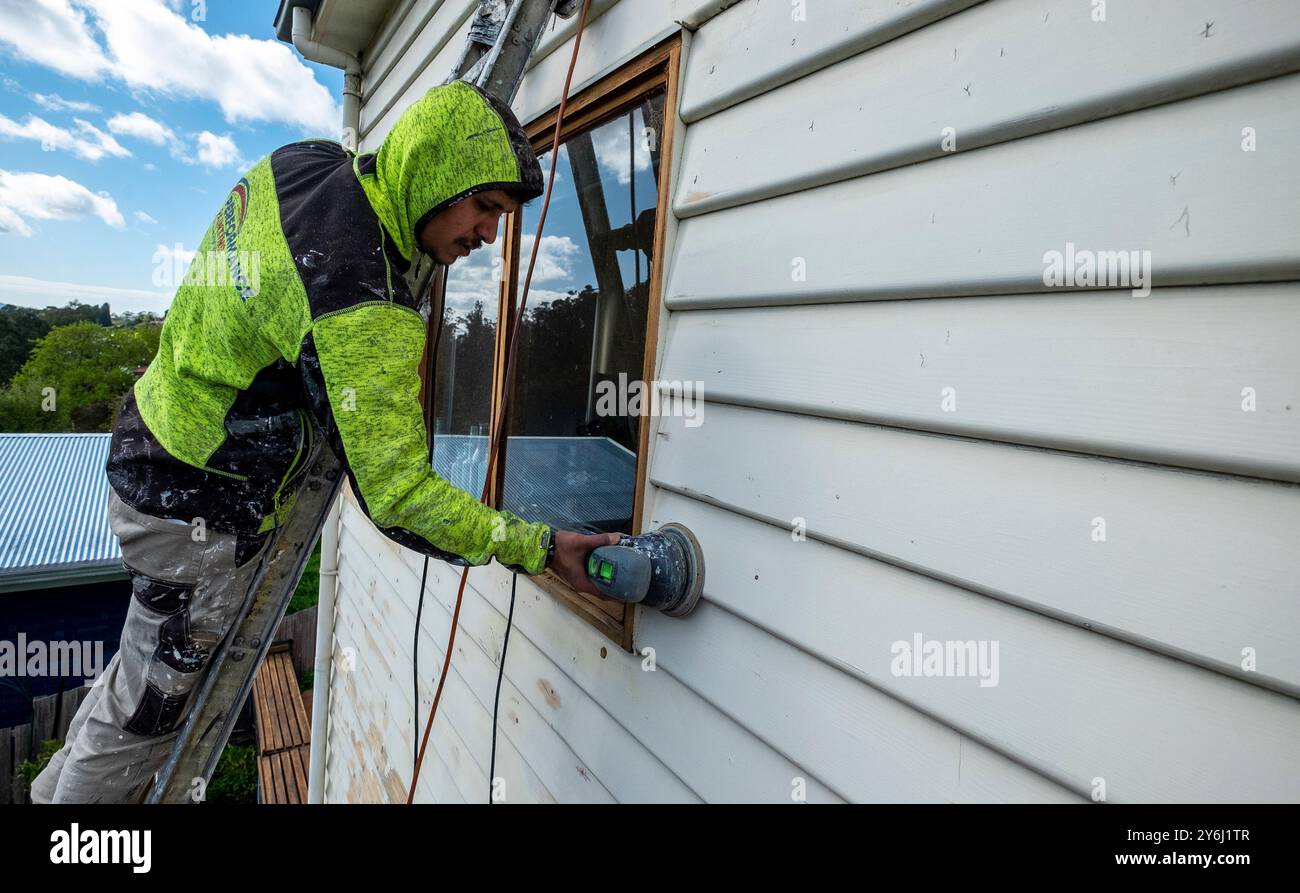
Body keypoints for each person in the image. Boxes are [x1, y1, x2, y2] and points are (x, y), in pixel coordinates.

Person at [31, 80, 617, 804]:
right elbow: (400, 496)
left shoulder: (307, 164)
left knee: (134, 675)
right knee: (151, 707)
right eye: (485, 208)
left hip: (152, 438)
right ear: (432, 175)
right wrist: (534, 544)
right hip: (195, 504)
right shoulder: (358, 300)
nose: (490, 236)